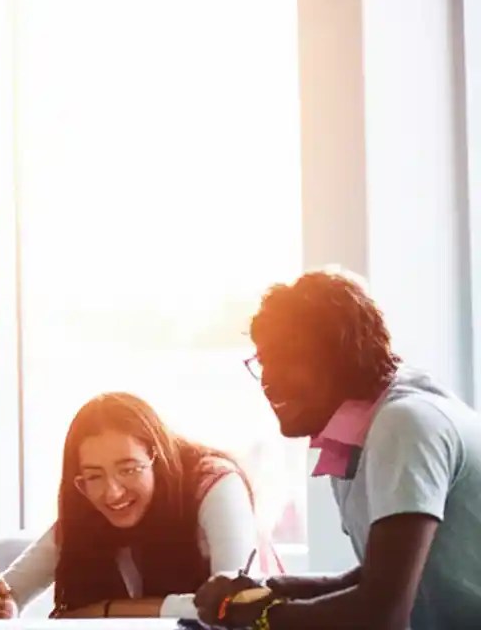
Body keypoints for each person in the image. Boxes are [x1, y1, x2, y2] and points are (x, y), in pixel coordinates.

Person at [195, 269, 481, 630]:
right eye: (263, 361)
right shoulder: (365, 424)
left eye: (287, 358)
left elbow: (382, 615)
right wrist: (269, 588)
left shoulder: (404, 423)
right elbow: (379, 578)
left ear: (343, 356)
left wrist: (261, 617)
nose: (268, 379)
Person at [0, 392, 276, 620]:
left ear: (157, 458)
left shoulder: (214, 484)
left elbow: (236, 603)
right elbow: (7, 591)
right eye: (94, 476)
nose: (112, 493)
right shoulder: (86, 510)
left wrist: (107, 610)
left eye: (129, 469)